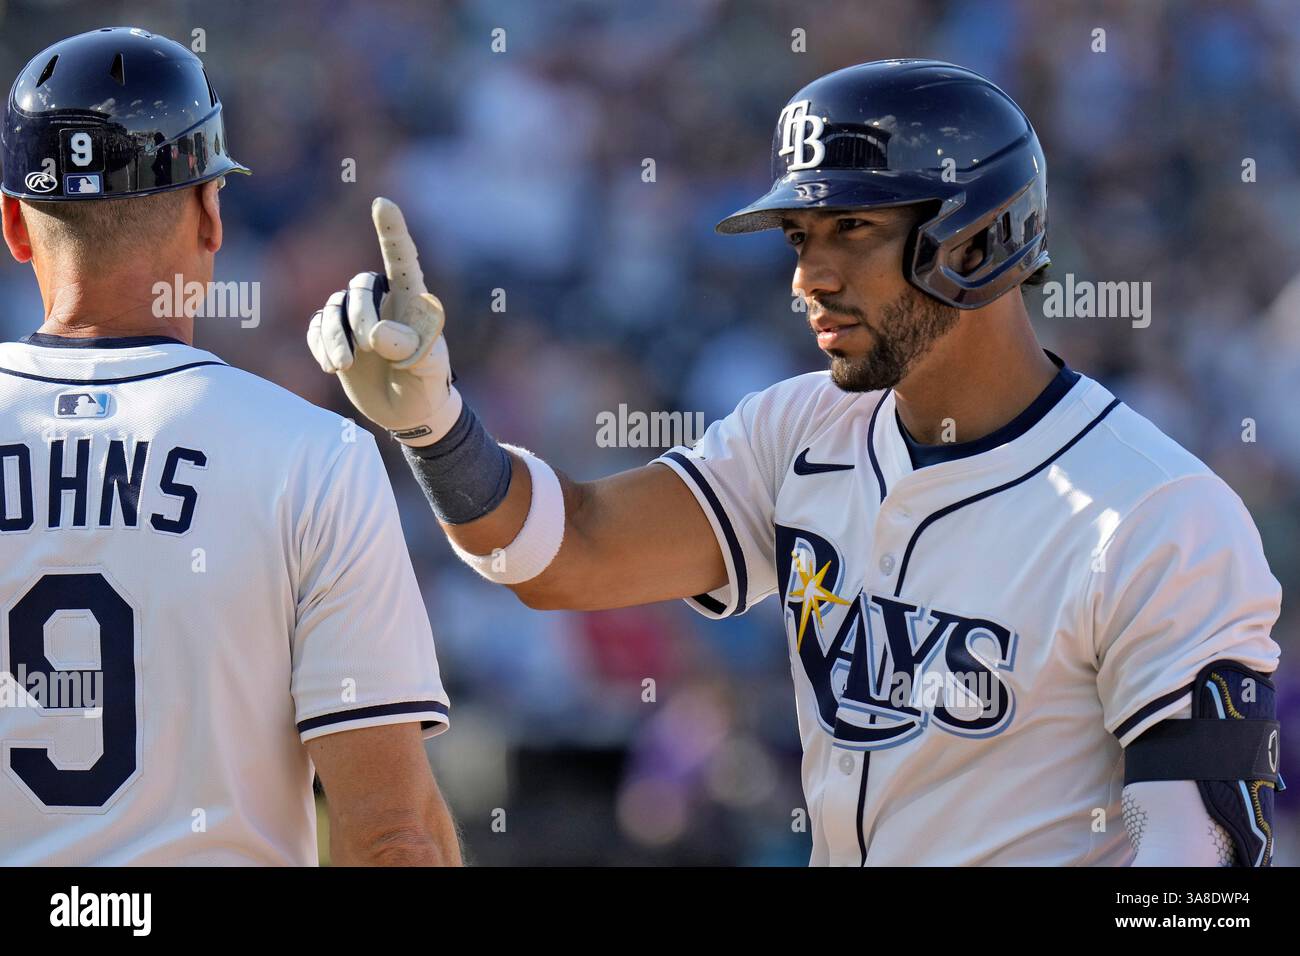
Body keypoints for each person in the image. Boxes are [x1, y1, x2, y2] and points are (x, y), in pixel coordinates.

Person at [308, 60, 1282, 866]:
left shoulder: (1158, 516)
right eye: (799, 235)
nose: (808, 276)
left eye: (853, 229)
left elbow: (1194, 880)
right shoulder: (799, 428)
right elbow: (570, 552)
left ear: (977, 239)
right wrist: (436, 426)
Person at [0, 27, 458, 866]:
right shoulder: (314, 457)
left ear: (14, 227)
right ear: (211, 214)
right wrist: (440, 431)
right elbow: (394, 837)